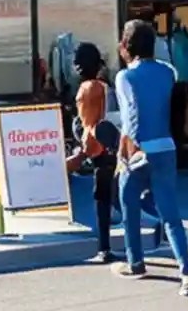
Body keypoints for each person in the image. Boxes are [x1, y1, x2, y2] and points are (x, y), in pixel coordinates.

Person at [113, 19, 188, 296]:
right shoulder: (168, 71)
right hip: (167, 147)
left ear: (126, 46)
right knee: (171, 213)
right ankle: (186, 271)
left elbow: (130, 119)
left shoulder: (125, 77)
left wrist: (124, 154)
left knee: (128, 203)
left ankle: (135, 262)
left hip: (140, 149)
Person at [65, 43, 122, 264]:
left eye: (78, 62)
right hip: (113, 146)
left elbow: (90, 126)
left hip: (100, 150)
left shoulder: (88, 89)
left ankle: (104, 248)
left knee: (102, 198)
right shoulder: (105, 86)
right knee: (115, 198)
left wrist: (80, 156)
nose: (75, 66)